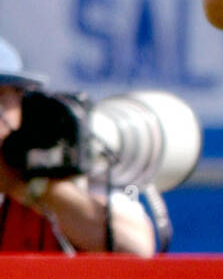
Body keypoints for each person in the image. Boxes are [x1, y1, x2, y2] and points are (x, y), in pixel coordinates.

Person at [0, 38, 157, 255]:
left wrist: (32, 187)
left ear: (21, 105)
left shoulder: (69, 158)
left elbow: (136, 246)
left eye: (0, 97)